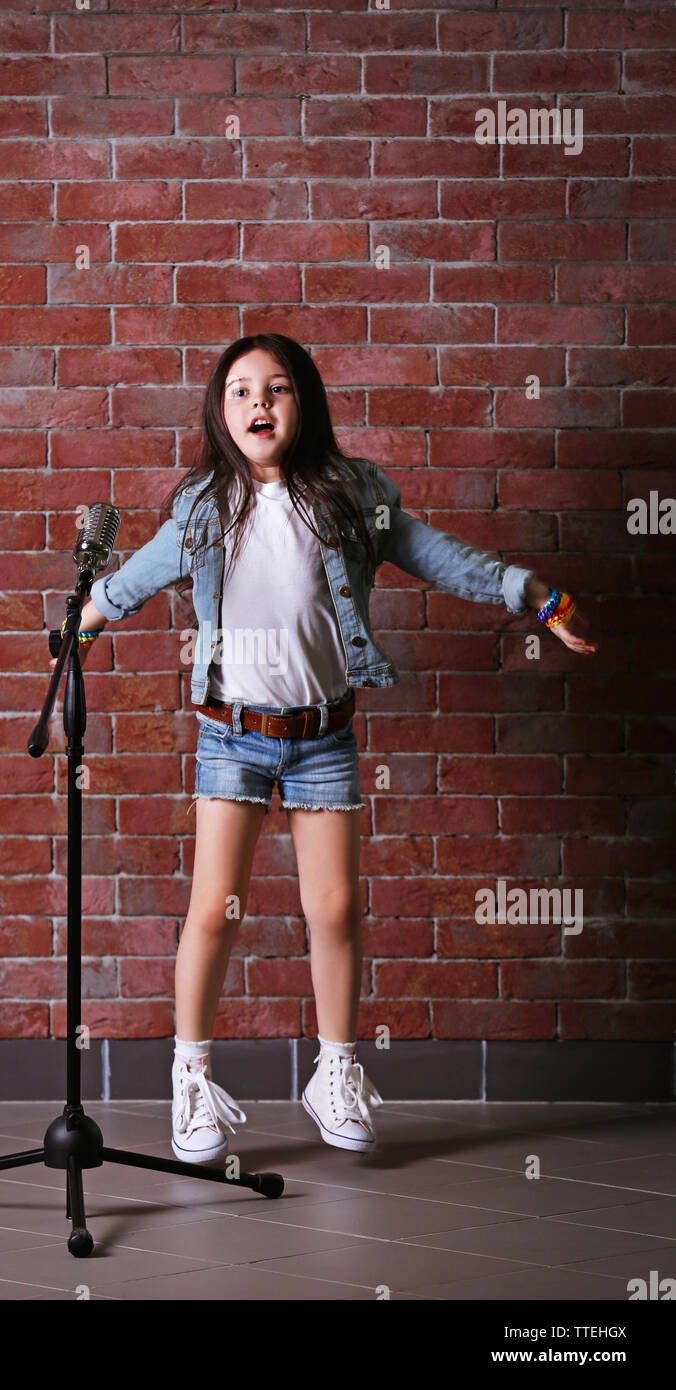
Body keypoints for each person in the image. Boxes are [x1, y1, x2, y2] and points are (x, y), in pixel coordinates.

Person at [53, 333, 598, 1161]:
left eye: (276, 389)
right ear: (220, 412)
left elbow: (437, 556)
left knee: (336, 908)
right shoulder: (203, 508)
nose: (259, 404)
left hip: (323, 738)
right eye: (240, 391)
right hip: (233, 735)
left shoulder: (350, 497)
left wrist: (534, 594)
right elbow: (130, 582)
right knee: (214, 909)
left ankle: (335, 1073)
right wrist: (79, 633)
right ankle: (191, 1080)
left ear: (303, 402)